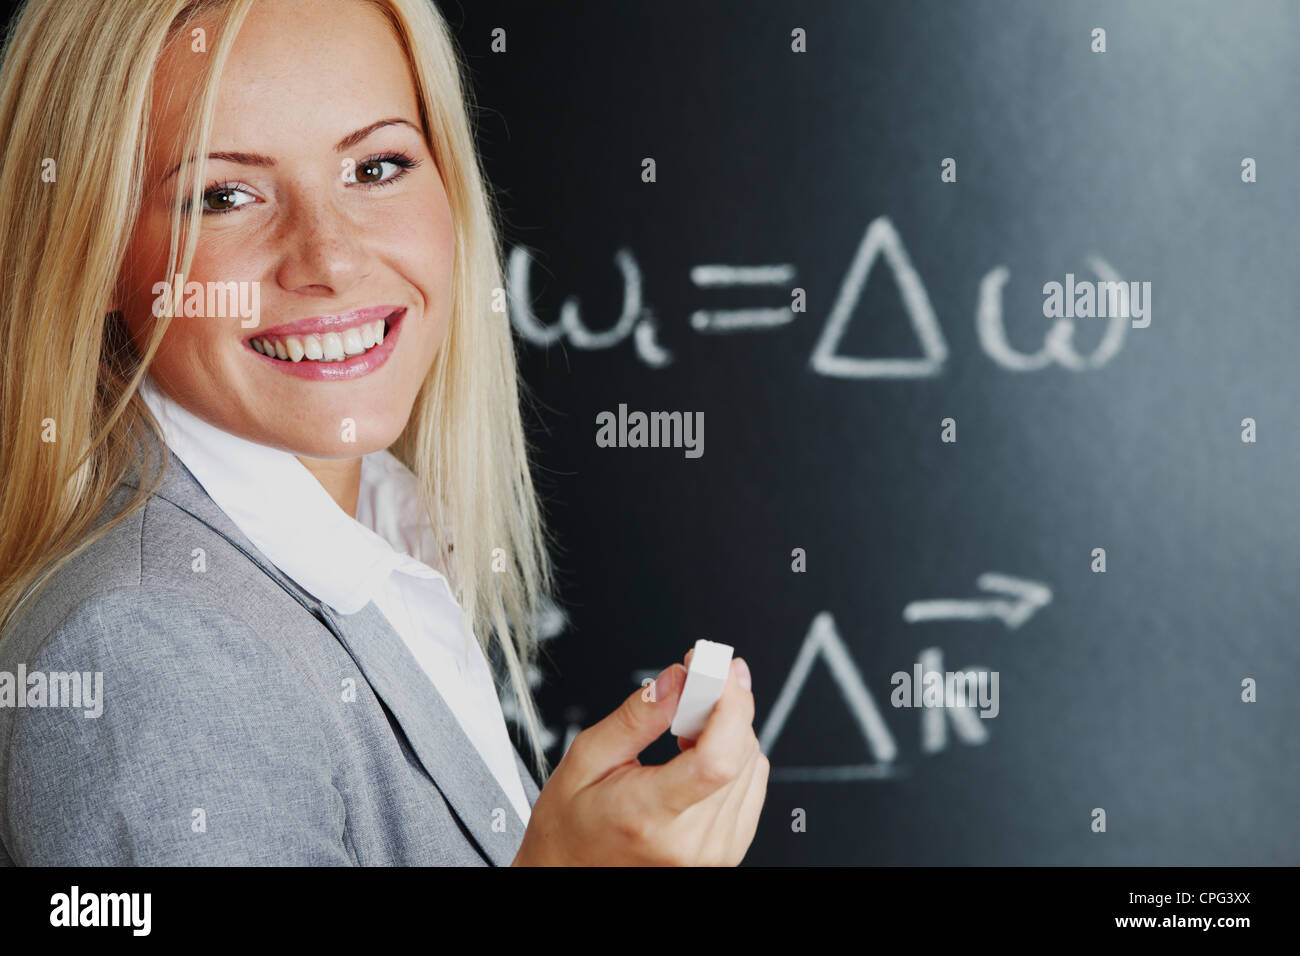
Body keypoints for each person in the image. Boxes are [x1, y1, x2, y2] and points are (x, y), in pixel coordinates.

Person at [0, 0, 767, 866]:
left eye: (376, 166)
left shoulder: (373, 537)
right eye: (224, 194)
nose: (330, 257)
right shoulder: (152, 654)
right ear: (93, 250)